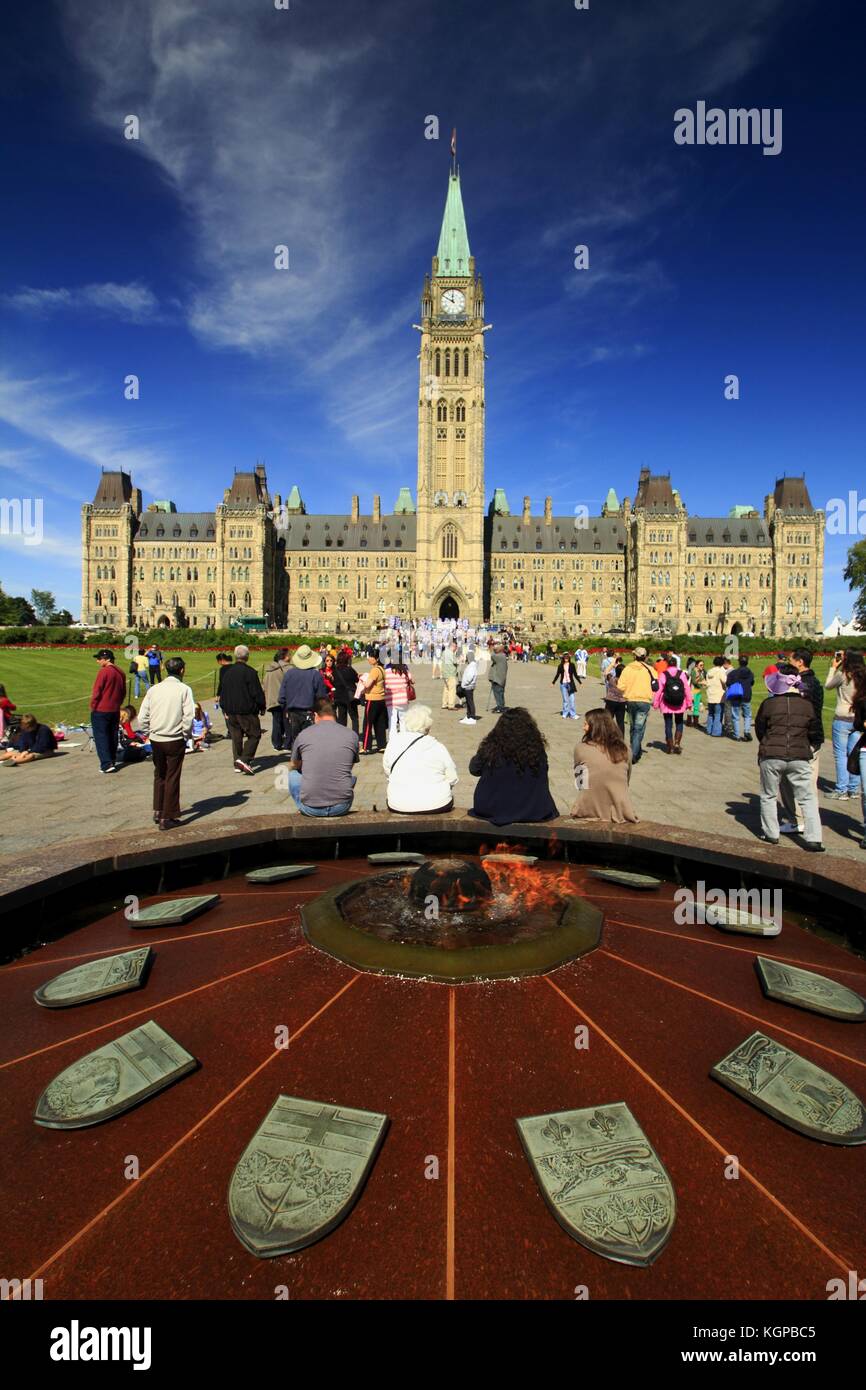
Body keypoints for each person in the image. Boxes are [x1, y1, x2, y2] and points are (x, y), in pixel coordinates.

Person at [754, 667, 825, 851]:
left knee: (768, 795)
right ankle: (814, 837)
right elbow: (815, 732)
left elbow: (760, 729)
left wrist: (767, 743)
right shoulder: (806, 705)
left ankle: (771, 833)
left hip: (772, 754)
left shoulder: (769, 704)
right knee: (807, 798)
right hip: (799, 755)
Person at [468, 707, 558, 825]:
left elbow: (474, 769)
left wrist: (489, 742)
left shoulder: (491, 748)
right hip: (533, 808)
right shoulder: (536, 750)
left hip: (492, 807)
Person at [137, 655, 195, 829]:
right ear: (182, 670)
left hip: (156, 738)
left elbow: (142, 716)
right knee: (172, 776)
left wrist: (148, 732)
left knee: (159, 774)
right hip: (174, 738)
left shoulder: (154, 689)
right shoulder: (184, 689)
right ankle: (167, 816)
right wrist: (186, 734)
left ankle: (158, 808)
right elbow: (189, 716)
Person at [288, 696, 358, 817]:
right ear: (334, 714)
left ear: (315, 715)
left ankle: (302, 806)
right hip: (342, 806)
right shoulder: (351, 735)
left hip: (310, 808)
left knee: (292, 775)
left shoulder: (303, 735)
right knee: (349, 776)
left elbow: (294, 765)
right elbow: (349, 766)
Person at [779, 648, 825, 834]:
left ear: (799, 662)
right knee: (810, 781)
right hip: (815, 736)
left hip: (801, 737)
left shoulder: (800, 684)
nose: (789, 663)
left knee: (789, 779)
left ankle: (797, 820)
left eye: (791, 660)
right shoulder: (815, 682)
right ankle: (809, 820)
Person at [383, 703, 459, 813]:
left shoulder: (393, 743)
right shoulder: (437, 746)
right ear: (428, 727)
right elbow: (452, 778)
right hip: (437, 803)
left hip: (399, 803)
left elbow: (388, 772)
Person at [572, 708, 638, 823]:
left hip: (587, 808)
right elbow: (626, 779)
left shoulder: (581, 748)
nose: (583, 728)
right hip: (620, 810)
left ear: (595, 727)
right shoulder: (625, 749)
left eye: (586, 725)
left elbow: (580, 783)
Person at [219, 644, 266, 775]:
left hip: (231, 710)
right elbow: (256, 692)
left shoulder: (228, 672)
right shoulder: (250, 672)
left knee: (236, 736)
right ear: (247, 656)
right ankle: (244, 759)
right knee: (255, 734)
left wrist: (224, 708)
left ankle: (238, 761)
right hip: (246, 710)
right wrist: (262, 706)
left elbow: (223, 692)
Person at [825, 649, 865, 801]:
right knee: (854, 753)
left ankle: (842, 788)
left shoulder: (844, 675)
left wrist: (833, 668)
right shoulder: (862, 676)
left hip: (843, 717)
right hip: (857, 718)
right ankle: (853, 788)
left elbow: (828, 685)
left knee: (840, 755)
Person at [277, 645, 327, 752]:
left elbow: (281, 697)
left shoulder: (289, 674)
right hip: (310, 712)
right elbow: (322, 697)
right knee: (310, 741)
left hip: (293, 712)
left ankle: (297, 762)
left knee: (296, 740)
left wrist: (286, 709)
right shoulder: (315, 675)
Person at [89, 648, 126, 773]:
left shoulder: (104, 672)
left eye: (100, 659)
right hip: (114, 708)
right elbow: (123, 692)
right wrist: (118, 704)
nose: (98, 661)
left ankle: (106, 763)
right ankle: (112, 759)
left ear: (107, 659)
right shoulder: (120, 672)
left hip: (101, 708)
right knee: (112, 735)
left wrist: (93, 705)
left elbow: (97, 691)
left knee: (101, 736)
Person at [617, 646, 655, 763]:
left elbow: (620, 686)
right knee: (639, 727)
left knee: (633, 727)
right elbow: (656, 685)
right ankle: (634, 752)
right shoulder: (650, 669)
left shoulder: (628, 669)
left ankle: (634, 750)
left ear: (634, 656)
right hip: (644, 701)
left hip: (631, 700)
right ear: (645, 657)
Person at [652, 658, 692, 754]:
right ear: (676, 664)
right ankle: (677, 743)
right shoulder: (681, 674)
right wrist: (689, 702)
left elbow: (659, 690)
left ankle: (670, 745)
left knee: (668, 724)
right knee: (679, 723)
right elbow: (686, 688)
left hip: (667, 703)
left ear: (667, 665)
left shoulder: (664, 674)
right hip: (680, 703)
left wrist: (655, 703)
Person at [262, 647, 293, 751]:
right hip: (284, 699)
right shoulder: (287, 668)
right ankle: (288, 744)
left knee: (276, 722)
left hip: (272, 699)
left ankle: (276, 743)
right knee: (287, 721)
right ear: (286, 657)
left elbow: (264, 685)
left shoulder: (269, 669)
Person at [359, 650, 388, 753]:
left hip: (372, 699)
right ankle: (382, 745)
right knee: (379, 723)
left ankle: (366, 746)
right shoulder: (381, 669)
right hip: (381, 699)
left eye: (371, 657)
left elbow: (367, 685)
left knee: (367, 723)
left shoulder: (375, 670)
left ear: (376, 659)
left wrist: (361, 679)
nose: (369, 659)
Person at [725, 656, 755, 741]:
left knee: (735, 716)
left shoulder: (733, 673)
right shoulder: (750, 673)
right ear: (747, 662)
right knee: (747, 715)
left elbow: (728, 683)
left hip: (736, 695)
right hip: (746, 695)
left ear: (739, 662)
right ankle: (747, 731)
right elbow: (752, 683)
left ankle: (737, 735)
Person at [332, 650, 361, 733]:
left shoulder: (335, 671)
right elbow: (356, 679)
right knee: (354, 718)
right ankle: (355, 736)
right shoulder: (350, 669)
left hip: (339, 697)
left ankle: (342, 736)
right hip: (350, 697)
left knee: (342, 719)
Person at [384, 661, 412, 736]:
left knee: (392, 720)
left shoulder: (386, 671)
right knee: (403, 720)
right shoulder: (405, 670)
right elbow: (411, 680)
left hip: (391, 699)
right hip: (403, 699)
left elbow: (384, 683)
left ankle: (392, 739)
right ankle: (404, 737)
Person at [704, 656, 728, 738]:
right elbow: (725, 681)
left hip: (710, 695)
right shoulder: (720, 671)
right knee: (718, 714)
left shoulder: (709, 671)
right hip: (719, 696)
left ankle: (708, 729)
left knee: (710, 713)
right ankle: (716, 731)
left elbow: (707, 682)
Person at [603, 656, 626, 734]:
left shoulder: (611, 679)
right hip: (622, 702)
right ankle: (621, 738)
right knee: (620, 722)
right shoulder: (626, 682)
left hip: (611, 701)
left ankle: (607, 736)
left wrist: (613, 664)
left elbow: (606, 672)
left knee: (608, 720)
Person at [552, 652, 579, 720]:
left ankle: (573, 714)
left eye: (567, 657)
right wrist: (553, 682)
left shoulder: (572, 665)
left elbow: (575, 674)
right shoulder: (560, 666)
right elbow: (557, 674)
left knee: (572, 700)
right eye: (565, 657)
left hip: (570, 684)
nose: (566, 658)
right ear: (563, 658)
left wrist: (579, 682)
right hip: (563, 684)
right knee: (565, 700)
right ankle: (565, 713)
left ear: (569, 658)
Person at [458, 650, 478, 725]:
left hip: (468, 686)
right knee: (468, 702)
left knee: (470, 702)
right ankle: (468, 715)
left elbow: (470, 677)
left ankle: (472, 717)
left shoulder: (472, 666)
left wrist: (464, 684)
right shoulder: (471, 665)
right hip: (468, 686)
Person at [488, 642, 508, 713]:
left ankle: (500, 707)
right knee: (500, 693)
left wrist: (492, 649)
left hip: (498, 679)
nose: (496, 648)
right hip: (499, 678)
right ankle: (501, 706)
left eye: (498, 647)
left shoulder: (500, 656)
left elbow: (492, 656)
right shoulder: (502, 656)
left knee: (498, 693)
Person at [441, 643, 458, 710]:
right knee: (452, 690)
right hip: (451, 674)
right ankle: (451, 705)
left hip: (445, 674)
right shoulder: (451, 653)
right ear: (453, 647)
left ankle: (444, 704)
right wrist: (461, 659)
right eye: (456, 647)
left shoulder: (444, 652)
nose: (456, 649)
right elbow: (456, 662)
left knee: (446, 689)